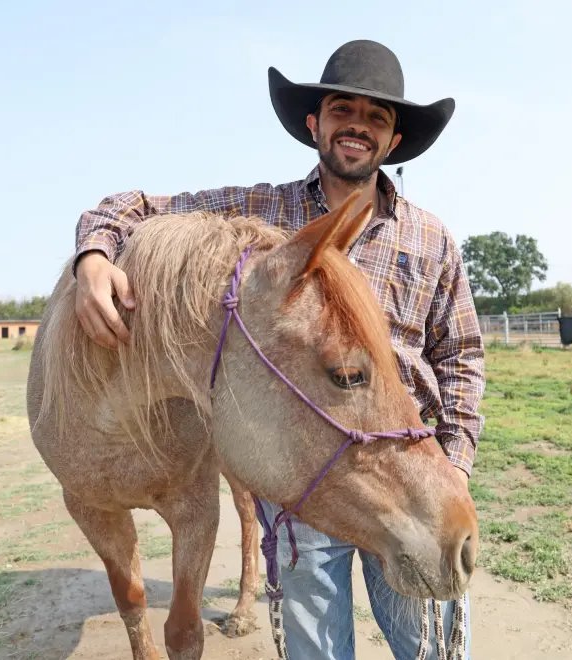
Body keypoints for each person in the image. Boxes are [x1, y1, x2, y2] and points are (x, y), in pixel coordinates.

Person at [71, 39, 484, 659]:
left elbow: (461, 356)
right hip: (304, 478)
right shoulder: (260, 211)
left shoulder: (431, 238)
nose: (358, 127)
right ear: (315, 124)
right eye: (343, 110)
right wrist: (94, 258)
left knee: (430, 647)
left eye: (377, 118)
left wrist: (453, 462)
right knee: (316, 650)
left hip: (400, 473)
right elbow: (136, 208)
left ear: (394, 142)